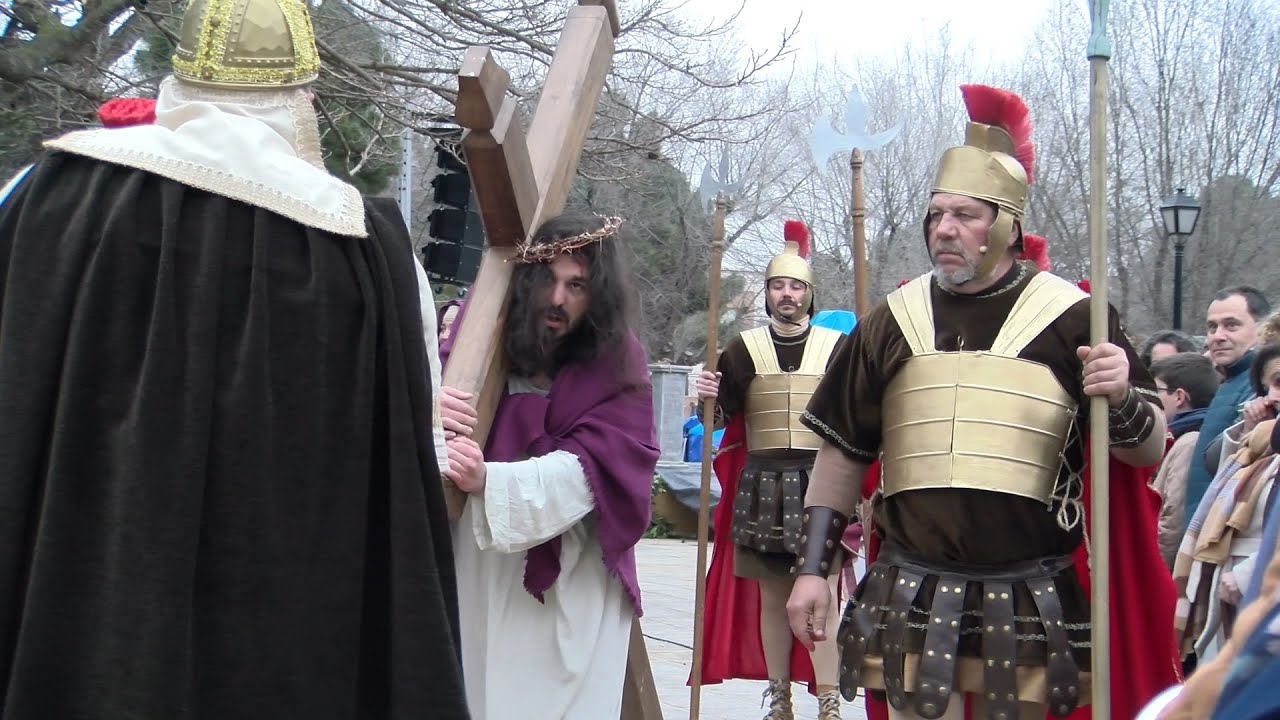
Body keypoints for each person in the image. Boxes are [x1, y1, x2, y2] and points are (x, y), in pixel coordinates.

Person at [0, 0, 470, 717]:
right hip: (279, 637)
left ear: (180, 76)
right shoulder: (364, 248)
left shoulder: (46, 194)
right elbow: (410, 473)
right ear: (300, 93)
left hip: (80, 604)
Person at [784, 84, 1177, 720]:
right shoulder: (890, 322)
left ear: (1008, 223)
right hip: (909, 587)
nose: (944, 229)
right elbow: (843, 454)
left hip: (1030, 593)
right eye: (936, 214)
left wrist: (1122, 394)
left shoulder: (1075, 319)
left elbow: (1145, 450)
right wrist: (811, 570)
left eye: (966, 214)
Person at [439, 213, 660, 720]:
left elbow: (600, 470)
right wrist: (431, 408)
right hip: (478, 565)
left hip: (569, 584)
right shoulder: (477, 342)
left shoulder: (618, 365)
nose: (557, 300)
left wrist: (491, 479)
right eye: (548, 281)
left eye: (576, 285)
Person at [694, 221, 848, 720]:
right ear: (767, 293)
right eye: (779, 285)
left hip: (819, 481)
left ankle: (828, 699)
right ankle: (779, 697)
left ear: (809, 294)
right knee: (773, 597)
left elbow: (853, 419)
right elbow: (719, 421)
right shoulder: (740, 350)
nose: (787, 294)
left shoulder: (836, 349)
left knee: (822, 592)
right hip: (761, 483)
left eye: (797, 286)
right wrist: (705, 399)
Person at [1185, 286, 1272, 528]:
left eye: (1231, 325)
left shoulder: (1261, 386)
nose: (1217, 336)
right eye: (1212, 327)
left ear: (1262, 328)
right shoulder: (1231, 381)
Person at [1151, 352, 1221, 568]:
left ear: (1180, 397)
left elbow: (1173, 520)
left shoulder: (1190, 442)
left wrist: (1153, 568)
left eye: (1156, 391)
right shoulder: (1186, 437)